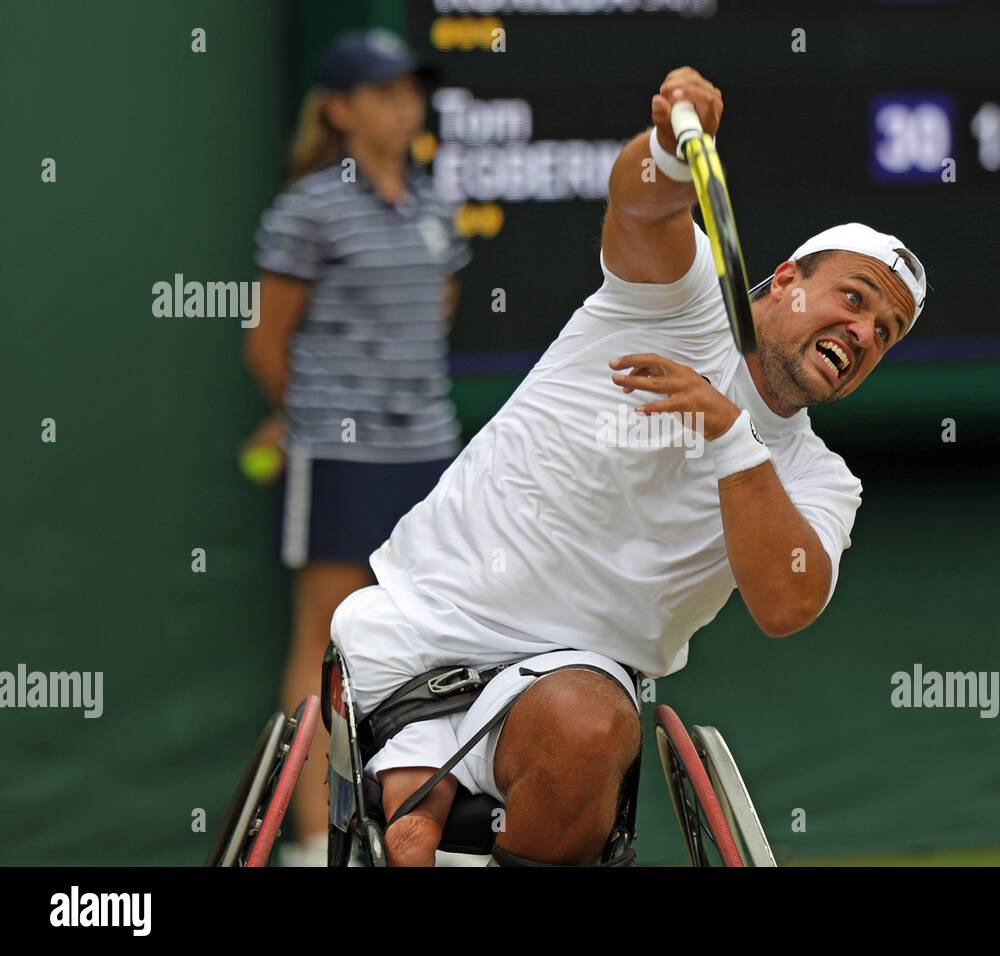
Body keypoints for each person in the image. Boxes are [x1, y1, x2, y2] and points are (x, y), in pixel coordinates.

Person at [329, 66, 926, 866]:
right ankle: (418, 808)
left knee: (588, 726)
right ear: (785, 281)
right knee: (409, 839)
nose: (863, 332)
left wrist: (730, 437)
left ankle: (430, 818)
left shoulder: (821, 480)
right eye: (854, 299)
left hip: (564, 692)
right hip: (414, 633)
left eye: (885, 332)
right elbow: (641, 202)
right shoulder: (679, 300)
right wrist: (672, 154)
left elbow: (787, 602)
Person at [241, 28, 471, 866]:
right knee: (324, 643)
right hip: (339, 458)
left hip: (432, 456)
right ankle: (310, 840)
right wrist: (310, 418)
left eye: (410, 89)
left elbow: (431, 319)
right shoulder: (308, 209)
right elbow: (268, 345)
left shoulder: (436, 204)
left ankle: (420, 834)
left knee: (433, 643)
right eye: (382, 92)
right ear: (338, 110)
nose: (404, 105)